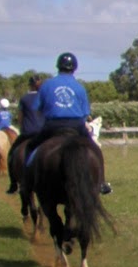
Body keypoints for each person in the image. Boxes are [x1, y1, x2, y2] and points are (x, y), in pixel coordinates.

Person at [9, 53, 111, 193]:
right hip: (76, 125)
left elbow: (37, 108)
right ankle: (101, 183)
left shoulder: (47, 85)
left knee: (30, 147)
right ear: (74, 68)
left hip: (53, 125)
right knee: (95, 149)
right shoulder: (79, 87)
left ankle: (26, 180)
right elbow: (85, 112)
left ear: (58, 66)